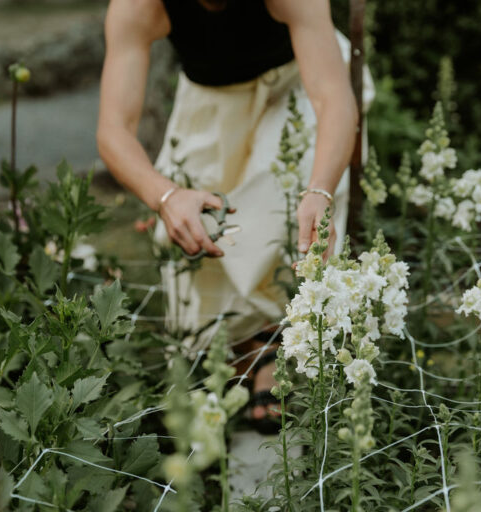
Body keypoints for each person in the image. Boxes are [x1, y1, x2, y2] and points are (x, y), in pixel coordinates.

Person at [96, 0, 371, 430]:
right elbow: (112, 129)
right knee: (199, 228)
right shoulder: (137, 5)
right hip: (208, 101)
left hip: (298, 86)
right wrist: (166, 195)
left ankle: (272, 347)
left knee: (275, 200)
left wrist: (320, 190)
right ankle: (242, 345)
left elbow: (333, 99)